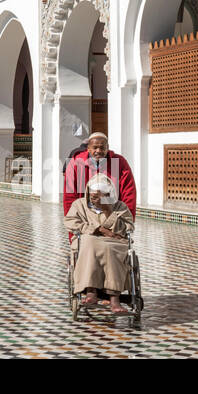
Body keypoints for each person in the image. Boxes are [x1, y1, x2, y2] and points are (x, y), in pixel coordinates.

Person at [64, 173, 134, 313]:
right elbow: (70, 222)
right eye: (94, 195)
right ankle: (91, 291)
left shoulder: (119, 206)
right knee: (89, 242)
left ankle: (114, 298)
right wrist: (97, 229)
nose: (96, 198)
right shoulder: (79, 205)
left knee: (108, 248)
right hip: (87, 239)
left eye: (102, 195)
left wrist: (108, 210)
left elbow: (127, 228)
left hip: (114, 243)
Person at [62, 132, 137, 219]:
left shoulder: (119, 162)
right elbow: (69, 196)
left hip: (113, 216)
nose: (98, 151)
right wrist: (73, 225)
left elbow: (129, 193)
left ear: (107, 148)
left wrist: (127, 221)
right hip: (86, 218)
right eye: (95, 147)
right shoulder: (75, 163)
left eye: (102, 147)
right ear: (88, 148)